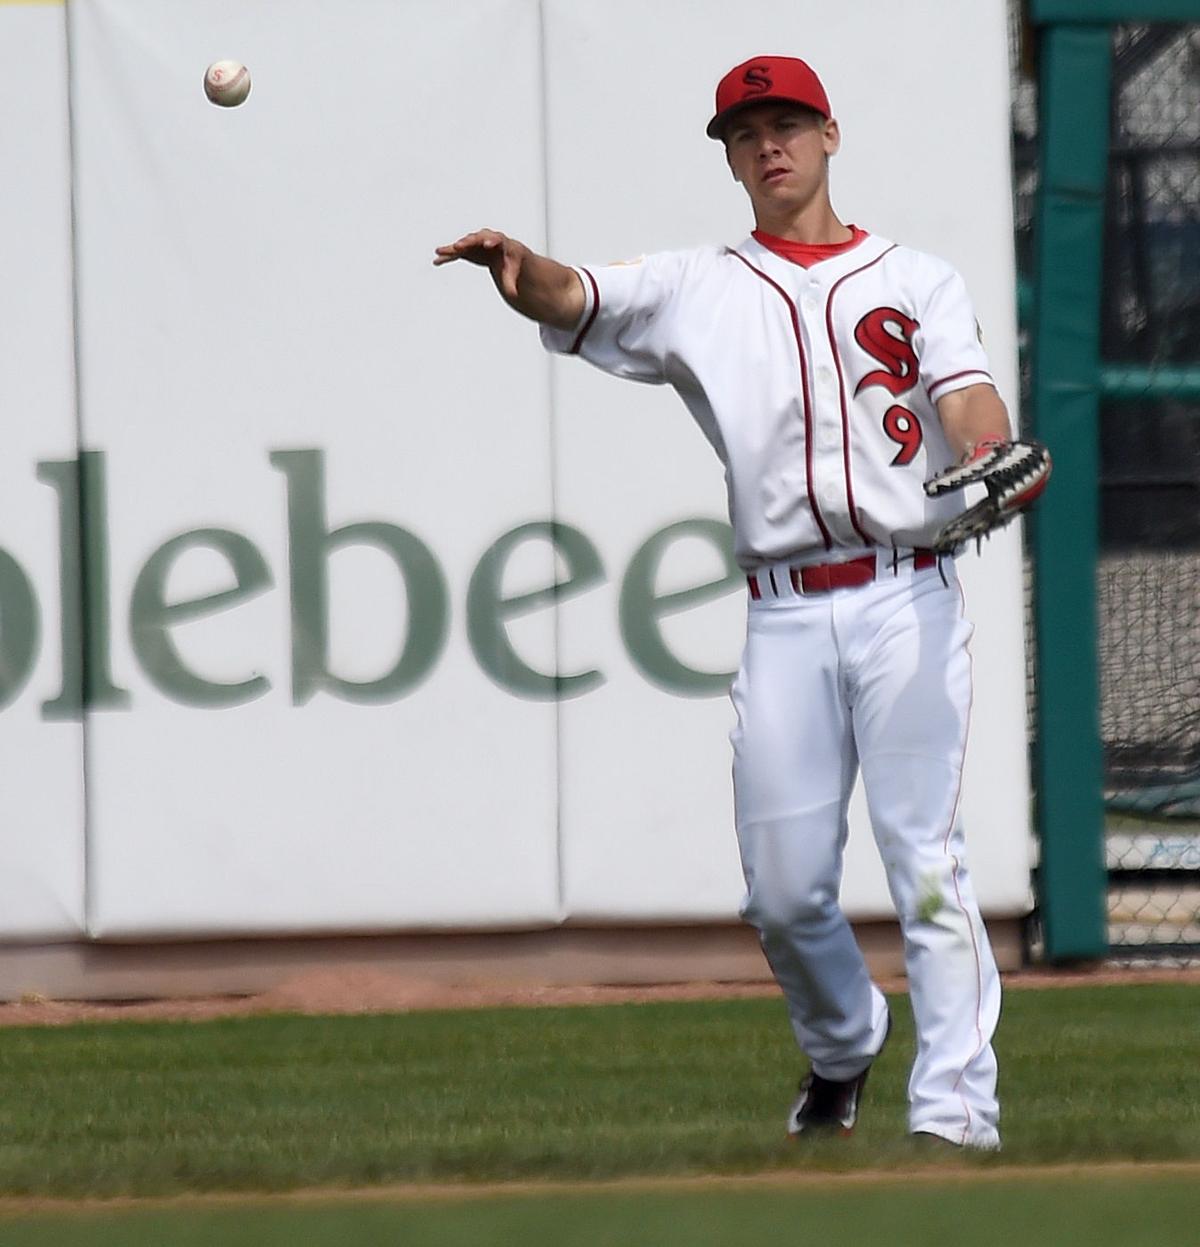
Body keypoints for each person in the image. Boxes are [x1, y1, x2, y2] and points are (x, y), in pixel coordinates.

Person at [435, 54, 1010, 1150]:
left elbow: (968, 399)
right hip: (787, 611)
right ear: (731, 156)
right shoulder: (701, 284)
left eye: (789, 123)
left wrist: (990, 450)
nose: (770, 144)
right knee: (786, 894)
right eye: (748, 133)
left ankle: (954, 1119)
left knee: (927, 861)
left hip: (906, 599)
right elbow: (579, 295)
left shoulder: (917, 277)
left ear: (831, 134)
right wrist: (519, 266)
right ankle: (846, 1040)